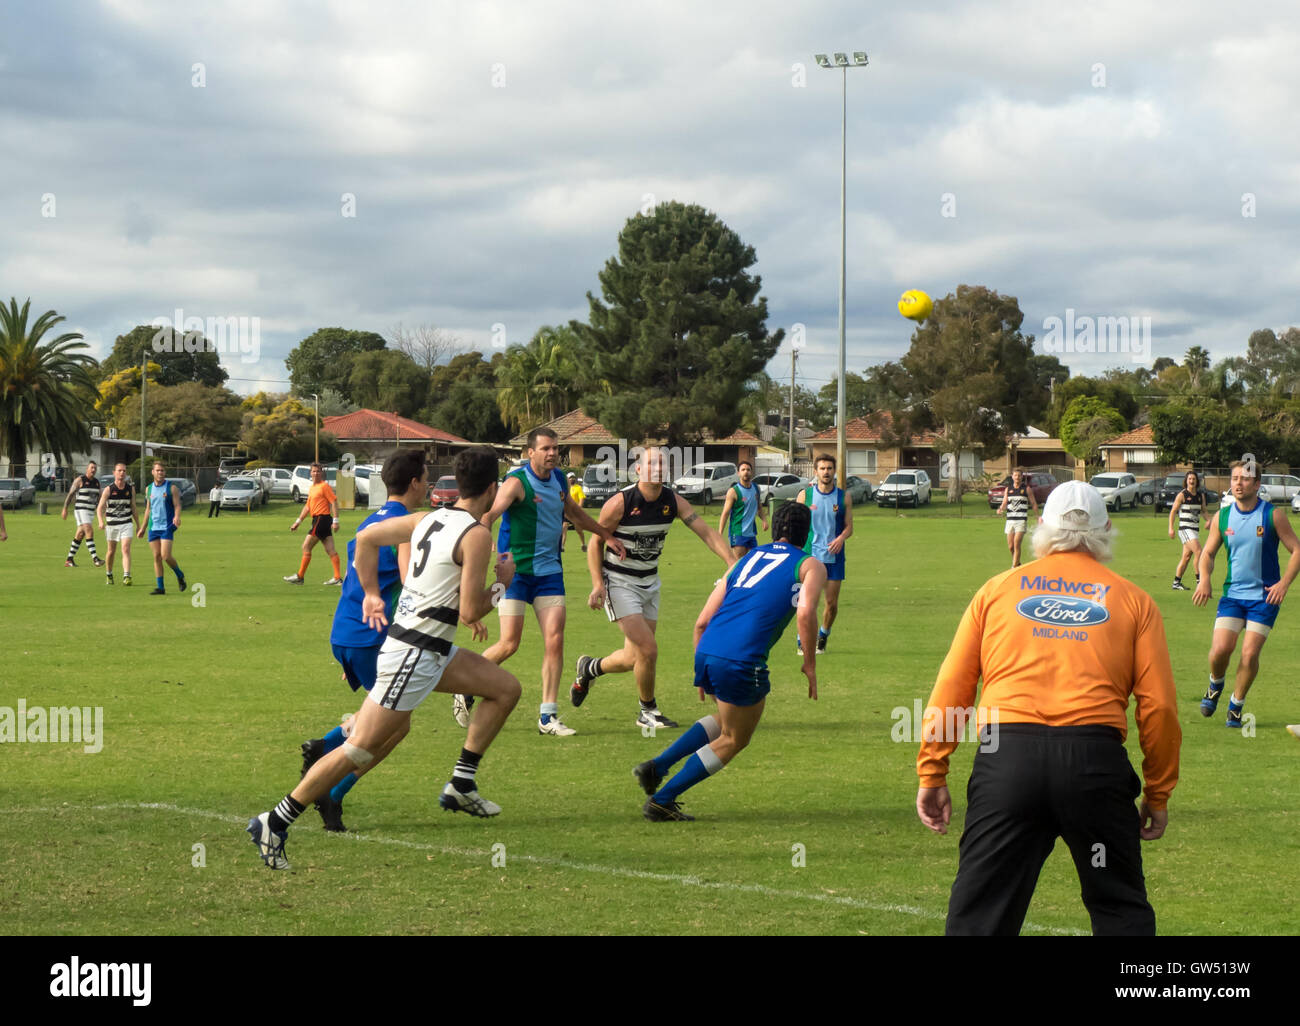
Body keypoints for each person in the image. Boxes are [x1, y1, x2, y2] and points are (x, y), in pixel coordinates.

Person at [916, 481, 1181, 935]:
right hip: (1094, 764)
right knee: (1119, 909)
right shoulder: (1136, 601)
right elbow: (1158, 709)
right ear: (1108, 529)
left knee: (979, 916)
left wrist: (933, 770)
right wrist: (1157, 792)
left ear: (1041, 528)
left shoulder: (996, 590)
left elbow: (953, 688)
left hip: (1007, 762)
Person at [247, 447, 522, 870]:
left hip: (429, 648)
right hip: (414, 653)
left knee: (505, 688)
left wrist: (373, 593)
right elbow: (470, 611)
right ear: (492, 488)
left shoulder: (430, 517)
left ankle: (461, 783)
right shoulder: (477, 534)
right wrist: (502, 584)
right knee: (359, 748)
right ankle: (275, 821)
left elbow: (368, 538)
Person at [633, 501, 825, 821]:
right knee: (735, 738)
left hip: (709, 649)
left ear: (775, 530)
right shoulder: (809, 565)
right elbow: (805, 612)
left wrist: (701, 669)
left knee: (725, 721)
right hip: (741, 660)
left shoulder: (745, 558)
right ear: (807, 535)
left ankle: (658, 766)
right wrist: (810, 663)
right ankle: (662, 800)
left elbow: (701, 622)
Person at [298, 450, 430, 831]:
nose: (428, 485)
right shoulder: (406, 526)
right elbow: (410, 583)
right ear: (415, 483)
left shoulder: (370, 524)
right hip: (372, 637)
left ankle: (326, 744)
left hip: (346, 632)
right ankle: (333, 787)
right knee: (395, 725)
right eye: (426, 478)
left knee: (383, 714)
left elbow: (357, 583)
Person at [473, 428, 623, 737]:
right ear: (531, 453)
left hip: (550, 573)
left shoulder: (558, 481)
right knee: (509, 644)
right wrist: (486, 543)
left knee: (555, 640)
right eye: (546, 448)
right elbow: (490, 514)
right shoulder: (517, 483)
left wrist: (604, 533)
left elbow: (574, 513)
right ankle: (466, 683)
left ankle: (547, 716)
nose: (552, 453)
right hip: (513, 574)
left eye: (555, 448)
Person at [573, 446, 736, 730]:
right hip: (620, 582)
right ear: (638, 470)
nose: (659, 468)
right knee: (648, 649)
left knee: (634, 657)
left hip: (650, 582)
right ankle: (647, 711)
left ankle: (589, 668)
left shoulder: (672, 500)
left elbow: (707, 532)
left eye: (663, 463)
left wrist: (733, 563)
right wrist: (598, 583)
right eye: (652, 464)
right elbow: (596, 541)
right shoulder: (621, 502)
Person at [1193, 459, 1300, 727]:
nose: (1238, 483)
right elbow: (1207, 553)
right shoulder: (1223, 516)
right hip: (1233, 596)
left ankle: (1235, 706)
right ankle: (1215, 684)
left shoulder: (1273, 515)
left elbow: (1297, 550)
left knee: (1249, 654)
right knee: (1220, 651)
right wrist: (1203, 579)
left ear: (1257, 484)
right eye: (1234, 478)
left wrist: (1283, 583)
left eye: (1244, 479)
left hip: (1264, 598)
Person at [796, 454, 853, 653]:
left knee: (831, 604)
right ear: (815, 471)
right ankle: (802, 639)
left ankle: (823, 634)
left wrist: (840, 539)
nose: (826, 472)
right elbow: (796, 525)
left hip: (834, 558)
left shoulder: (843, 496)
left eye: (829, 468)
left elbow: (849, 527)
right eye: (822, 468)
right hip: (809, 557)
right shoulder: (805, 495)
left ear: (834, 471)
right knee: (807, 602)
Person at [284, 463, 342, 585]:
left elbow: (334, 501)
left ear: (321, 473)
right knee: (330, 550)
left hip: (322, 519)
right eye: (313, 471)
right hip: (320, 520)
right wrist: (298, 522)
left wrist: (336, 521)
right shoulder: (312, 488)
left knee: (306, 547)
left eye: (318, 471)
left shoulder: (324, 486)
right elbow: (308, 507)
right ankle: (337, 578)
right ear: (310, 473)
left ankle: (300, 577)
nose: (315, 473)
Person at [135, 461, 186, 595]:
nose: (160, 473)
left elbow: (177, 505)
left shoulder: (171, 488)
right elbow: (148, 509)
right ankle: (160, 588)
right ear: (152, 472)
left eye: (162, 470)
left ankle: (180, 575)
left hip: (167, 526)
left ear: (165, 472)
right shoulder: (149, 489)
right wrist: (143, 528)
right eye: (157, 470)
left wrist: (177, 516)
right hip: (153, 527)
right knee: (157, 556)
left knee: (166, 555)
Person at [95, 462, 140, 585]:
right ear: (114, 473)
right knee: (111, 551)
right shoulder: (108, 490)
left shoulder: (130, 489)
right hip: (112, 524)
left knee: (125, 549)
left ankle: (127, 576)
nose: (122, 473)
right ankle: (109, 574)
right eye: (119, 470)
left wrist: (138, 526)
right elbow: (99, 508)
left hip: (126, 523)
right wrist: (100, 521)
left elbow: (134, 508)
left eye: (124, 471)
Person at [1167, 470, 1212, 591]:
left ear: (1197, 481)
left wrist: (1210, 521)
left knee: (1186, 557)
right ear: (1186, 481)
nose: (1191, 481)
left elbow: (1204, 511)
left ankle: (1176, 583)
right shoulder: (1182, 495)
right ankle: (1200, 581)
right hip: (1185, 529)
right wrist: (1170, 528)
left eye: (1193, 479)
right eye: (1189, 479)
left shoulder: (1200, 496)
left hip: (1194, 530)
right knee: (1199, 552)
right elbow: (1173, 512)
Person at [718, 459, 769, 558]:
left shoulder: (756, 488)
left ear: (751, 472)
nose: (746, 471)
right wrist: (720, 533)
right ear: (738, 473)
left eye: (748, 469)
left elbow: (759, 507)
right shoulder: (733, 491)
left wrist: (764, 520)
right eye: (743, 469)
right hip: (737, 533)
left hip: (751, 534)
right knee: (738, 564)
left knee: (753, 561)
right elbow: (725, 513)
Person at [62, 460, 105, 568]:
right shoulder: (80, 480)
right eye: (92, 468)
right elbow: (70, 494)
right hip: (81, 510)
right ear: (87, 468)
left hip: (90, 512)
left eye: (95, 468)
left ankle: (69, 559)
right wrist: (65, 508)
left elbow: (100, 499)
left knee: (80, 534)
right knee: (89, 530)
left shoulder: (96, 482)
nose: (93, 470)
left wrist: (104, 511)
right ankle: (95, 559)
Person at [995, 468, 1038, 568]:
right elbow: (1005, 502)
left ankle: (1013, 568)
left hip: (1021, 520)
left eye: (1019, 475)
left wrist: (1037, 516)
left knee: (1016, 544)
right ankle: (1017, 563)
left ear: (1022, 477)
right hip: (1010, 520)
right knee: (1011, 547)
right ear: (1012, 477)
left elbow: (1033, 503)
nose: (1017, 477)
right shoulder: (1008, 489)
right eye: (1015, 475)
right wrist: (1000, 509)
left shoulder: (1026, 489)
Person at [563, 471, 587, 552]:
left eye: (573, 477)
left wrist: (578, 509)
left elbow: (581, 499)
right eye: (570, 478)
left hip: (575, 512)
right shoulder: (564, 488)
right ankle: (562, 546)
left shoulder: (578, 488)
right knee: (564, 528)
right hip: (566, 512)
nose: (572, 479)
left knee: (579, 530)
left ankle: (583, 544)